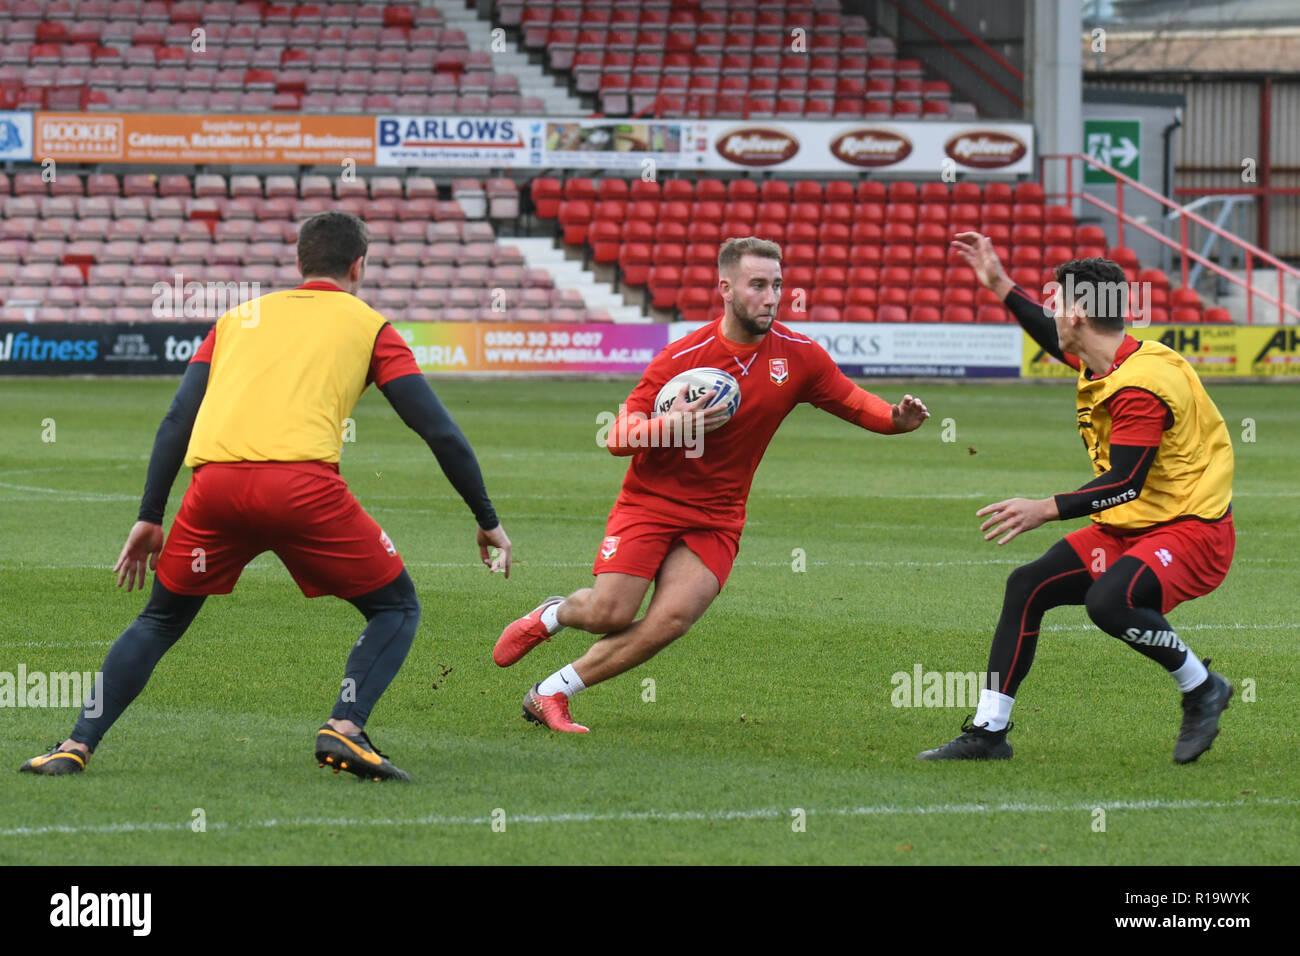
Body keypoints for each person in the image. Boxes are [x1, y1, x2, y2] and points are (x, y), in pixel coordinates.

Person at [20, 210, 511, 781]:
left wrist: (151, 515)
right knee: (396, 607)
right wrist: (486, 518)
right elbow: (439, 430)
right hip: (303, 490)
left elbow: (179, 417)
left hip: (215, 491)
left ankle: (75, 745)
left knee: (158, 620)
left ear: (299, 263)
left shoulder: (237, 318)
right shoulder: (371, 325)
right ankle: (345, 726)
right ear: (358, 265)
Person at [493, 236, 931, 732]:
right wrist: (671, 425)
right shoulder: (682, 356)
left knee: (672, 620)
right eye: (758, 285)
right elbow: (617, 437)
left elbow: (855, 402)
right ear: (725, 288)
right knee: (609, 613)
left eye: (778, 286)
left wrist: (895, 419)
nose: (771, 297)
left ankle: (552, 692)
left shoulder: (800, 356)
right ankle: (554, 615)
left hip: (718, 515)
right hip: (651, 502)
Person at [919, 233, 1234, 764]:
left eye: (1059, 301)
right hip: (1136, 522)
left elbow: (1125, 481)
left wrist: (1043, 508)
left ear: (1082, 314)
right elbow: (1050, 333)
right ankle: (987, 733)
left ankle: (1202, 687)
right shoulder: (1106, 358)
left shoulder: (1139, 385)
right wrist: (998, 282)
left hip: (1191, 530)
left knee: (1109, 602)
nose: (1053, 311)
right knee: (1027, 585)